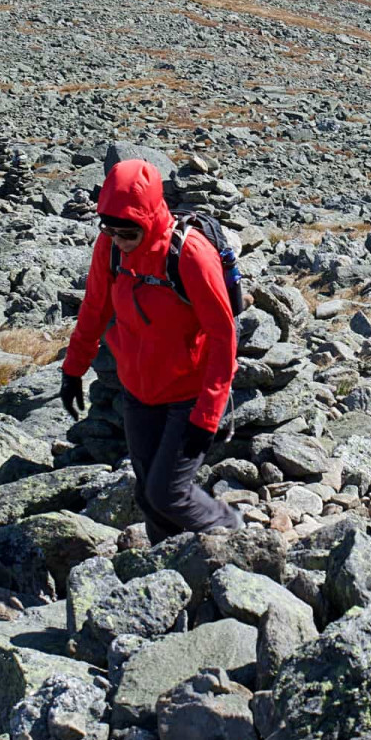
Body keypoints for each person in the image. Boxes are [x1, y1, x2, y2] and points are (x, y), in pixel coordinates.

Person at [58, 158, 241, 539]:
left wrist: (207, 417)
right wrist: (73, 369)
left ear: (148, 218)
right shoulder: (110, 247)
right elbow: (94, 307)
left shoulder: (189, 255)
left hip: (187, 395)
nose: (119, 241)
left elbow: (223, 337)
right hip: (138, 390)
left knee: (167, 492)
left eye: (129, 233)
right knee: (147, 493)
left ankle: (232, 530)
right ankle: (169, 562)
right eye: (110, 230)